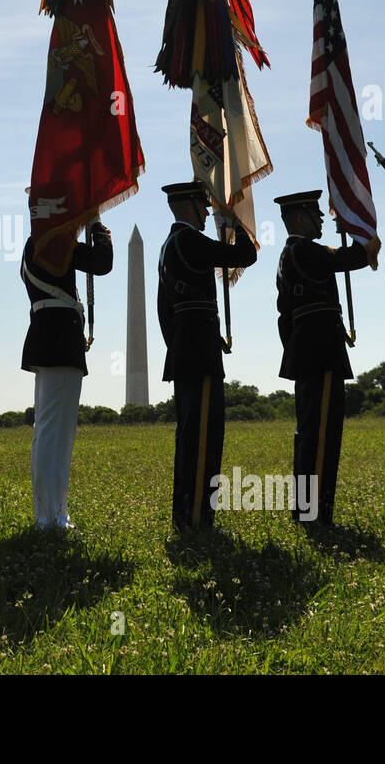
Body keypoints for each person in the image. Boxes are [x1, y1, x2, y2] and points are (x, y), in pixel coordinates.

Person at [157, 181, 256, 531]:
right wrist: (234, 223)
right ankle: (196, 519)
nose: (207, 212)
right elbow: (245, 256)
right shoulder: (187, 239)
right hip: (198, 353)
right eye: (204, 206)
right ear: (188, 207)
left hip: (189, 349)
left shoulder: (170, 245)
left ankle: (189, 515)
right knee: (202, 439)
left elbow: (165, 311)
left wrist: (183, 343)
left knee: (192, 436)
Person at [274, 190, 373, 530]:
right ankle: (315, 516)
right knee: (320, 437)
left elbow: (283, 318)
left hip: (307, 351)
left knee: (311, 433)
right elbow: (353, 258)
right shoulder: (303, 249)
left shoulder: (291, 254)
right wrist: (357, 228)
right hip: (321, 350)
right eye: (316, 214)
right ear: (300, 218)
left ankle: (308, 512)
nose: (321, 220)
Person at [20, 216, 113, 531]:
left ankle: (52, 512)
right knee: (54, 433)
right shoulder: (53, 242)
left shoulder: (38, 242)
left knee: (53, 431)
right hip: (59, 338)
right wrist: (98, 224)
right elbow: (102, 262)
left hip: (49, 336)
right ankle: (49, 516)